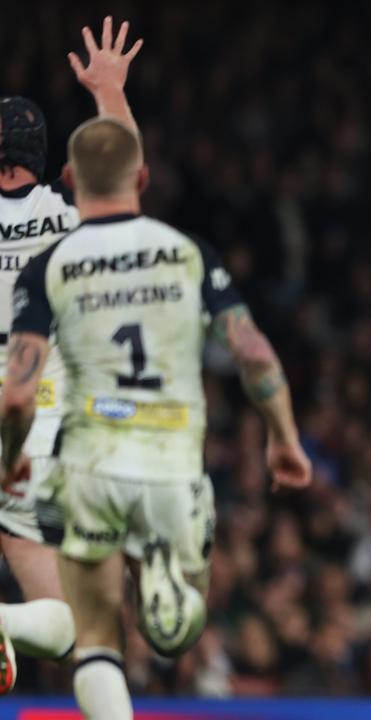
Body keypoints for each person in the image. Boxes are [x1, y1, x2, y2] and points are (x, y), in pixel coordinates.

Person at [0, 116, 311, 719]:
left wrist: (8, 455)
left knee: (93, 640)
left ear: (72, 180)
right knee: (178, 633)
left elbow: (17, 393)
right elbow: (252, 351)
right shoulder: (185, 250)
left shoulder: (55, 266)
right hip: (163, 448)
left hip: (80, 447)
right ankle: (166, 584)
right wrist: (283, 437)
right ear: (141, 177)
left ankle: (17, 619)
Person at [0, 17, 142, 692]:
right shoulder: (65, 215)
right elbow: (125, 172)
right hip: (35, 433)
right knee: (75, 628)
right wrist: (109, 90)